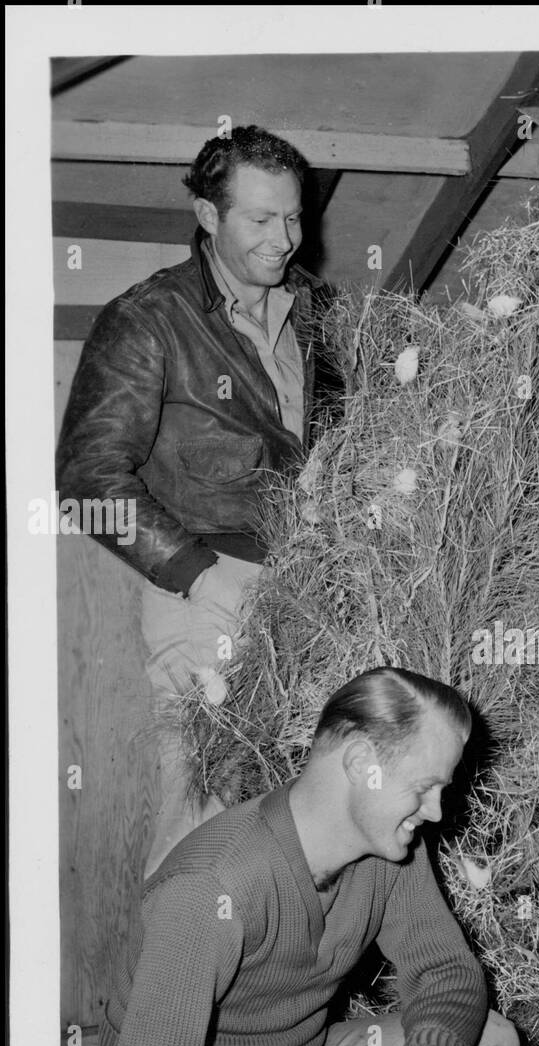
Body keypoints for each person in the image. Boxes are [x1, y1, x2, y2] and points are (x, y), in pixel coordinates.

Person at [92, 667, 519, 1046]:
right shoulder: (213, 883)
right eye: (423, 787)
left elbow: (445, 970)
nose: (437, 811)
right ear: (360, 761)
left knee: (487, 1045)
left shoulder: (390, 854)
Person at [57, 125, 329, 875]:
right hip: (205, 590)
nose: (286, 239)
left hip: (308, 591)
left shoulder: (316, 312)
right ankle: (173, 992)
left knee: (293, 831)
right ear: (209, 217)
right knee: (202, 816)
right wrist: (204, 576)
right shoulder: (147, 319)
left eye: (295, 217)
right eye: (261, 219)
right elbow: (87, 480)